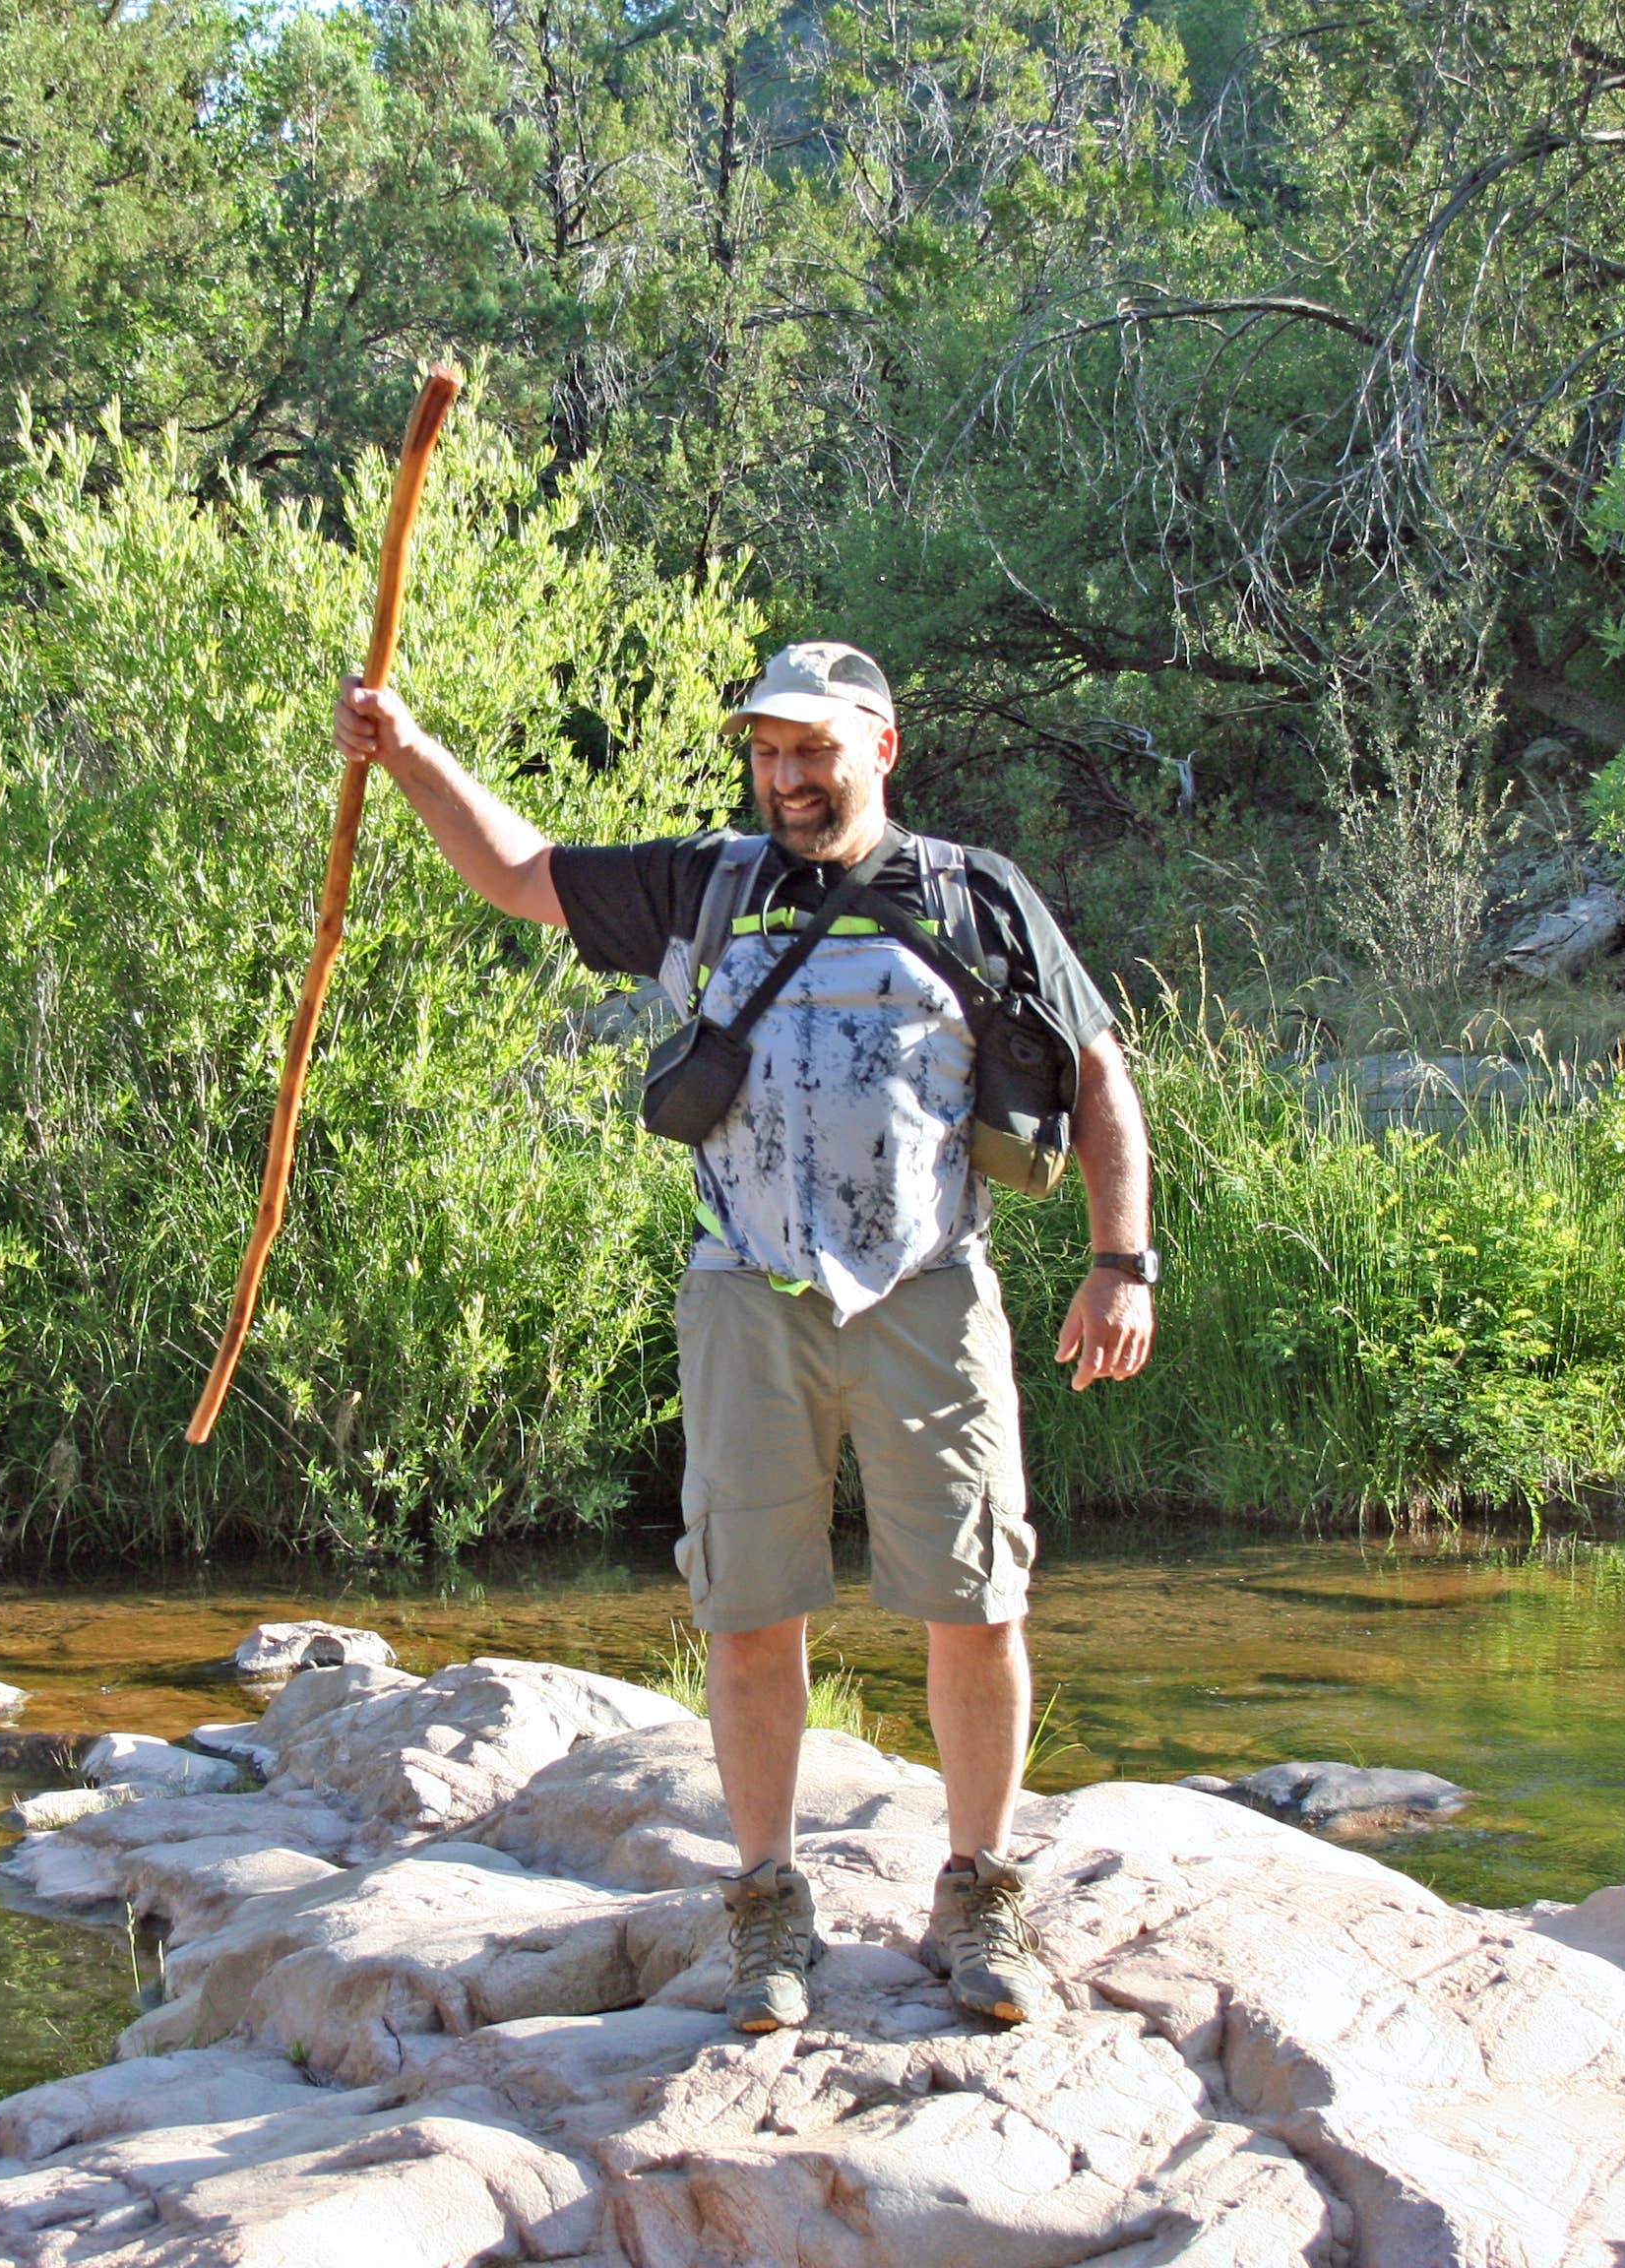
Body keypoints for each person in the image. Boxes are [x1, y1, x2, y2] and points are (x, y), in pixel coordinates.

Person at [332, 639, 1156, 2032]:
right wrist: (408, 751)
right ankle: (769, 1906)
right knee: (749, 1611)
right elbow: (519, 873)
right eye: (768, 752)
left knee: (976, 1603)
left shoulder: (976, 896)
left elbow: (1096, 1074)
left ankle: (980, 1895)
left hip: (932, 1295)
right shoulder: (702, 884)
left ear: (879, 750)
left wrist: (1120, 1260)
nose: (786, 777)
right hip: (743, 1296)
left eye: (813, 752)